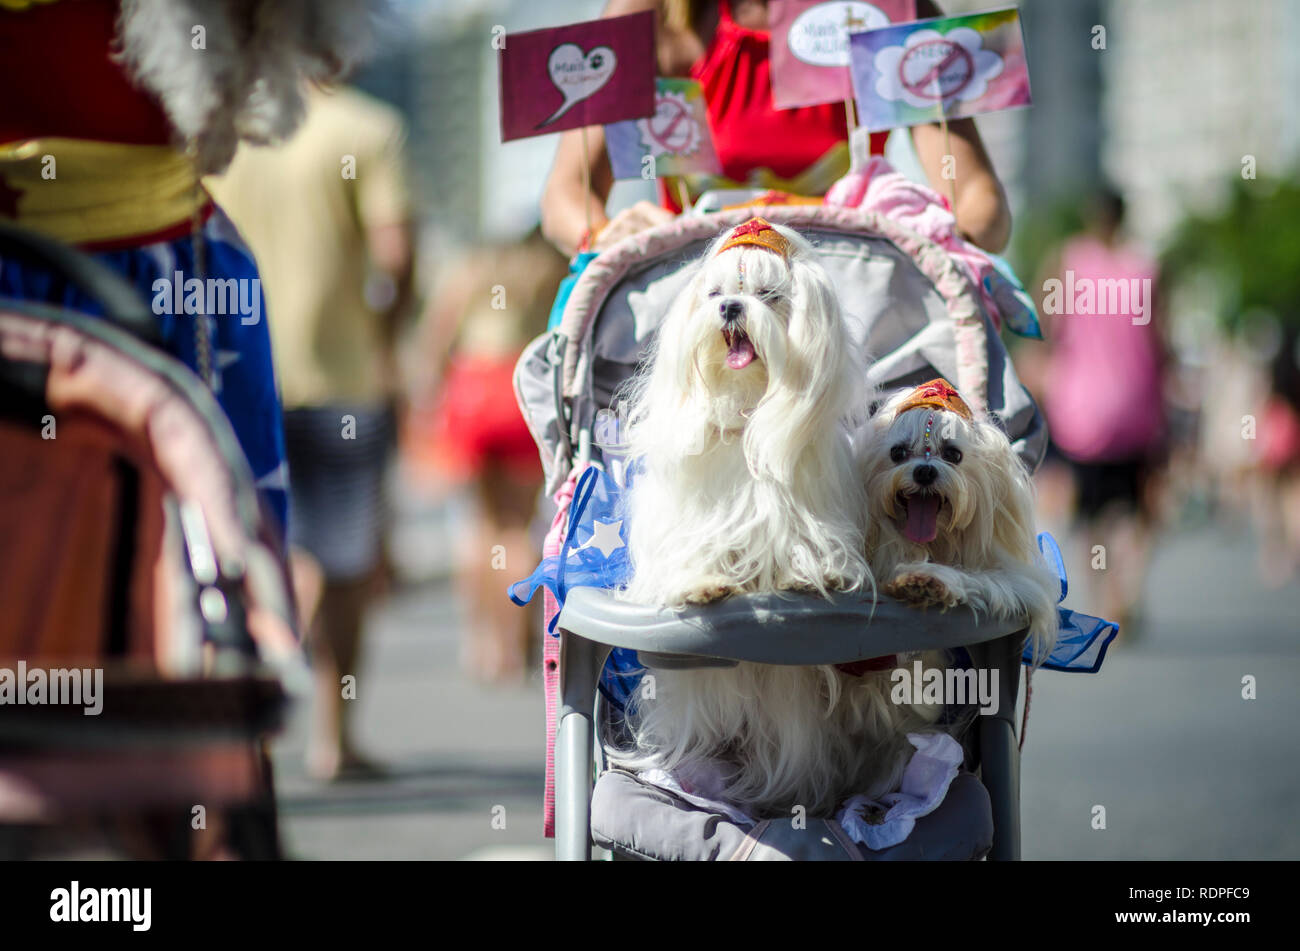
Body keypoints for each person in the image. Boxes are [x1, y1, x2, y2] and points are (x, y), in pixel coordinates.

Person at [208, 83, 416, 781]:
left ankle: (251, 729)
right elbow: (395, 255)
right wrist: (390, 334)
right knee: (344, 563)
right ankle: (333, 739)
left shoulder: (219, 124)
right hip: (341, 381)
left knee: (243, 551)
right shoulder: (367, 127)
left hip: (233, 377)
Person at [540, 0, 1012, 257]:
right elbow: (567, 194)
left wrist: (947, 251)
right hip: (691, 298)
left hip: (851, 305)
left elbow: (979, 200)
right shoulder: (647, 15)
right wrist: (601, 237)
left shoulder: (889, 12)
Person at [409, 230, 568, 683]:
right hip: (519, 391)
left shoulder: (471, 269)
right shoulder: (543, 270)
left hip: (473, 391)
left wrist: (427, 398)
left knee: (480, 528)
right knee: (520, 528)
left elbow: (435, 340)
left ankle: (484, 646)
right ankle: (518, 645)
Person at [1038, 188, 1168, 636]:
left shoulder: (1067, 262)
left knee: (1090, 516)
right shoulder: (1147, 266)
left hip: (1081, 411)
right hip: (1137, 405)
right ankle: (1127, 590)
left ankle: (1103, 601)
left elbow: (1044, 326)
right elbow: (1160, 341)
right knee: (1137, 510)